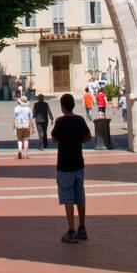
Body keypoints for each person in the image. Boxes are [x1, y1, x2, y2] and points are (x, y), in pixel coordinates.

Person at [51, 92, 91, 243]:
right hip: (78, 163)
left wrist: (64, 139)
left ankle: (71, 230)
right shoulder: (80, 120)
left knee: (68, 198)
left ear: (62, 107)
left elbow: (54, 138)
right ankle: (82, 228)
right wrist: (79, 140)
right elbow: (88, 136)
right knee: (80, 196)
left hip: (64, 165)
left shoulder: (60, 121)